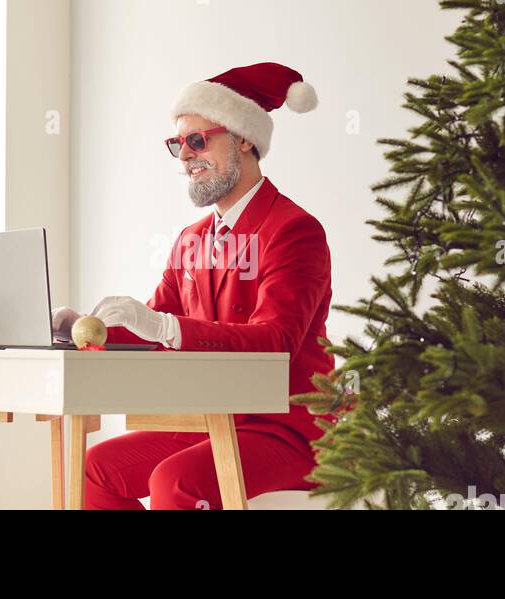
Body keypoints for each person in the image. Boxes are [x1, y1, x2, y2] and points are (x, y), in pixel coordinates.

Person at [51, 62, 335, 509]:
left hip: (287, 426)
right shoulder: (191, 241)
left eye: (197, 140)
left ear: (244, 139)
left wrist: (167, 328)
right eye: (177, 144)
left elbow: (276, 343)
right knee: (95, 469)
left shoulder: (294, 230)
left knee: (177, 481)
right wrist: (81, 330)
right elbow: (151, 330)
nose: (185, 156)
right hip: (210, 417)